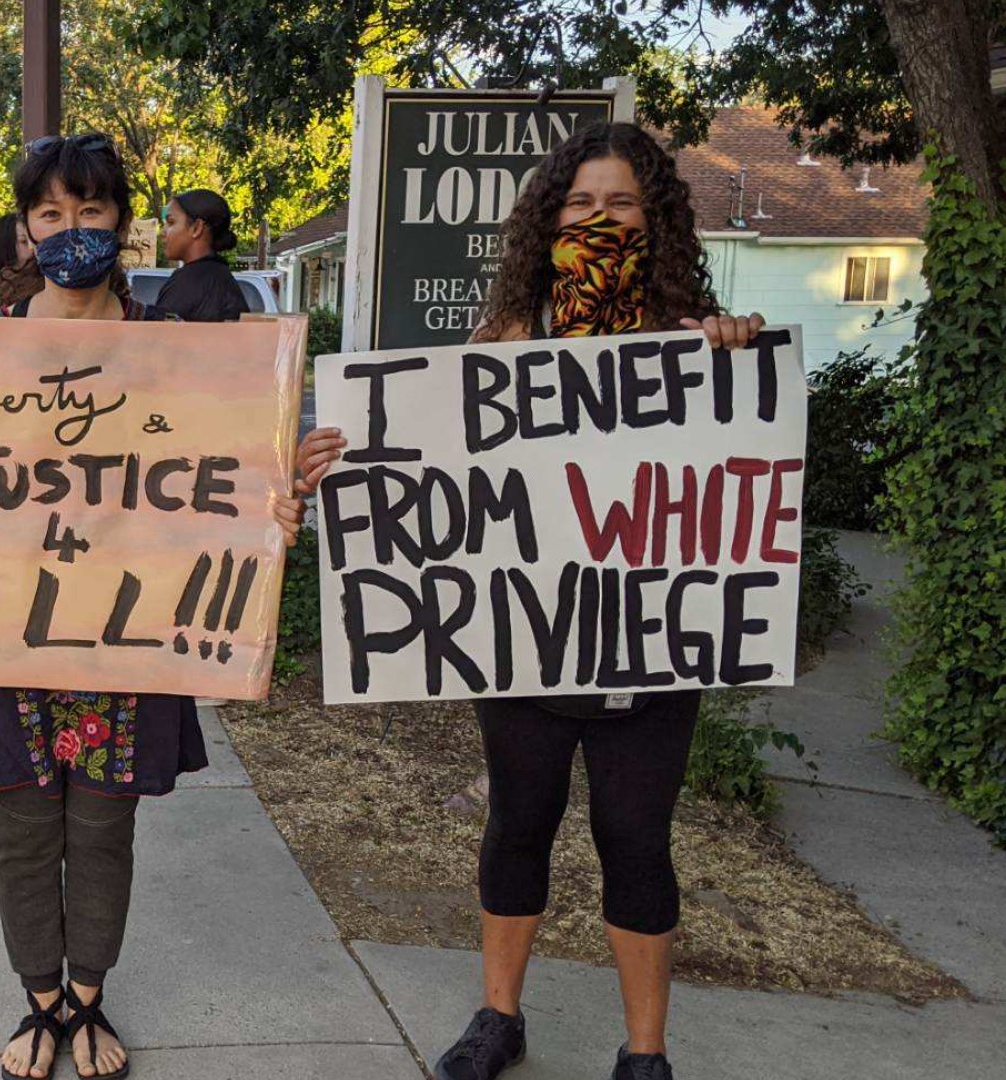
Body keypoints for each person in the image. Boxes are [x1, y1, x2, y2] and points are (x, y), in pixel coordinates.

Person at [0, 133, 317, 1080]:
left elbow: (225, 480)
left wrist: (276, 502)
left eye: (91, 211)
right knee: (21, 824)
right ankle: (39, 1003)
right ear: (24, 230)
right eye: (51, 213)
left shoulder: (172, 353)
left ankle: (87, 996)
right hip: (6, 627)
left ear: (122, 224)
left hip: (126, 635)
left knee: (103, 824)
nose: (72, 230)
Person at [297, 121, 767, 1080]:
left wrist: (733, 351)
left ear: (658, 219)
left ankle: (646, 1053)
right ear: (548, 221)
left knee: (635, 836)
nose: (599, 220)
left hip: (647, 641)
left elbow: (738, 449)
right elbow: (428, 457)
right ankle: (499, 1020)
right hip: (526, 640)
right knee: (519, 820)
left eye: (621, 203)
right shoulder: (503, 343)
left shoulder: (700, 347)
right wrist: (338, 462)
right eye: (579, 204)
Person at [156, 189, 247, 323]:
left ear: (197, 228)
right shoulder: (223, 276)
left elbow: (159, 337)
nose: (162, 232)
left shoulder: (185, 282)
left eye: (171, 222)